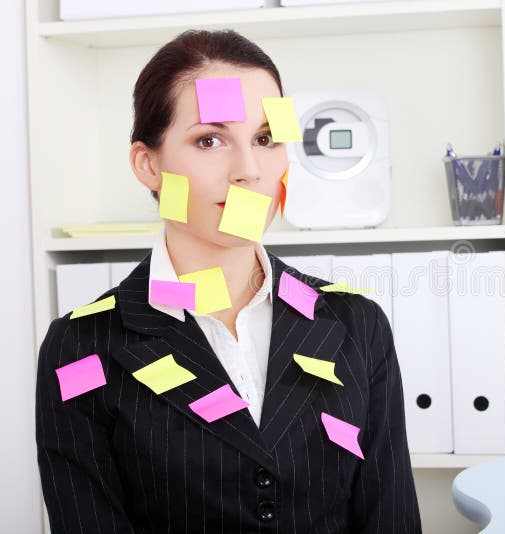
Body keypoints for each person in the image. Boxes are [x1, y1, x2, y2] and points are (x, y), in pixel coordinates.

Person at [35, 29, 421, 533]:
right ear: (148, 165)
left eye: (265, 139)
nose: (249, 169)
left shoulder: (356, 325)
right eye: (210, 140)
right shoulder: (81, 347)